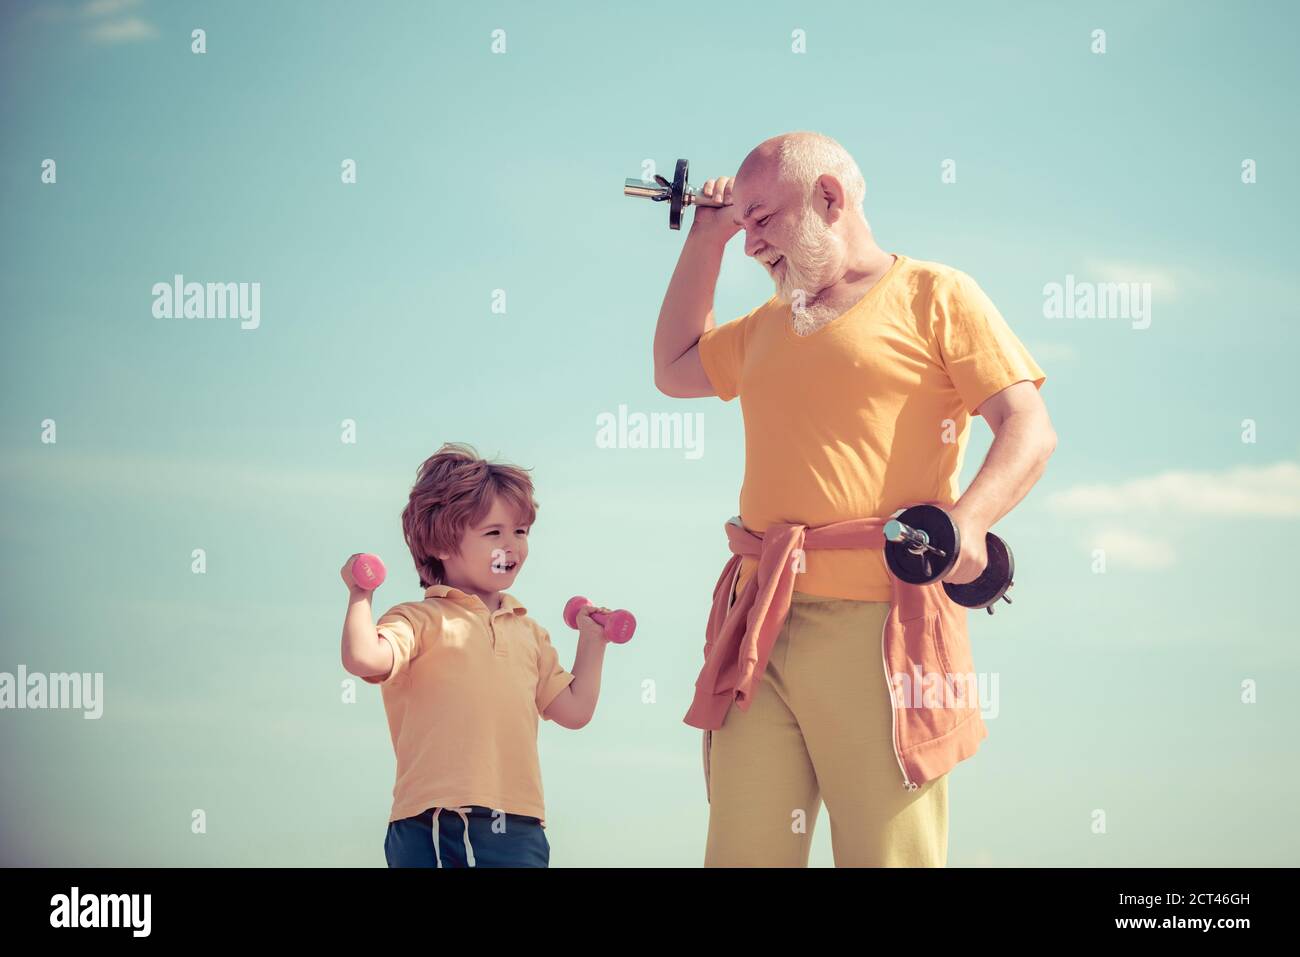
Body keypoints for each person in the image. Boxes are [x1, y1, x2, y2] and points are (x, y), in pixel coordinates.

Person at [653, 131, 1055, 867]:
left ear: (830, 198)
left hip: (882, 625)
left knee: (886, 857)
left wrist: (971, 518)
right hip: (761, 622)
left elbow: (1028, 424)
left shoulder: (938, 294)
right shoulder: (767, 326)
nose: (753, 245)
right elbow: (675, 367)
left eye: (763, 219)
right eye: (744, 226)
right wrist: (706, 236)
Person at [339, 442, 613, 867]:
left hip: (522, 822)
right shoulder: (420, 620)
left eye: (520, 532)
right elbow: (363, 658)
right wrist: (362, 594)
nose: (512, 546)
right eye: (493, 533)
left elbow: (574, 710)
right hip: (444, 818)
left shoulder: (528, 632)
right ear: (443, 544)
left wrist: (592, 641)